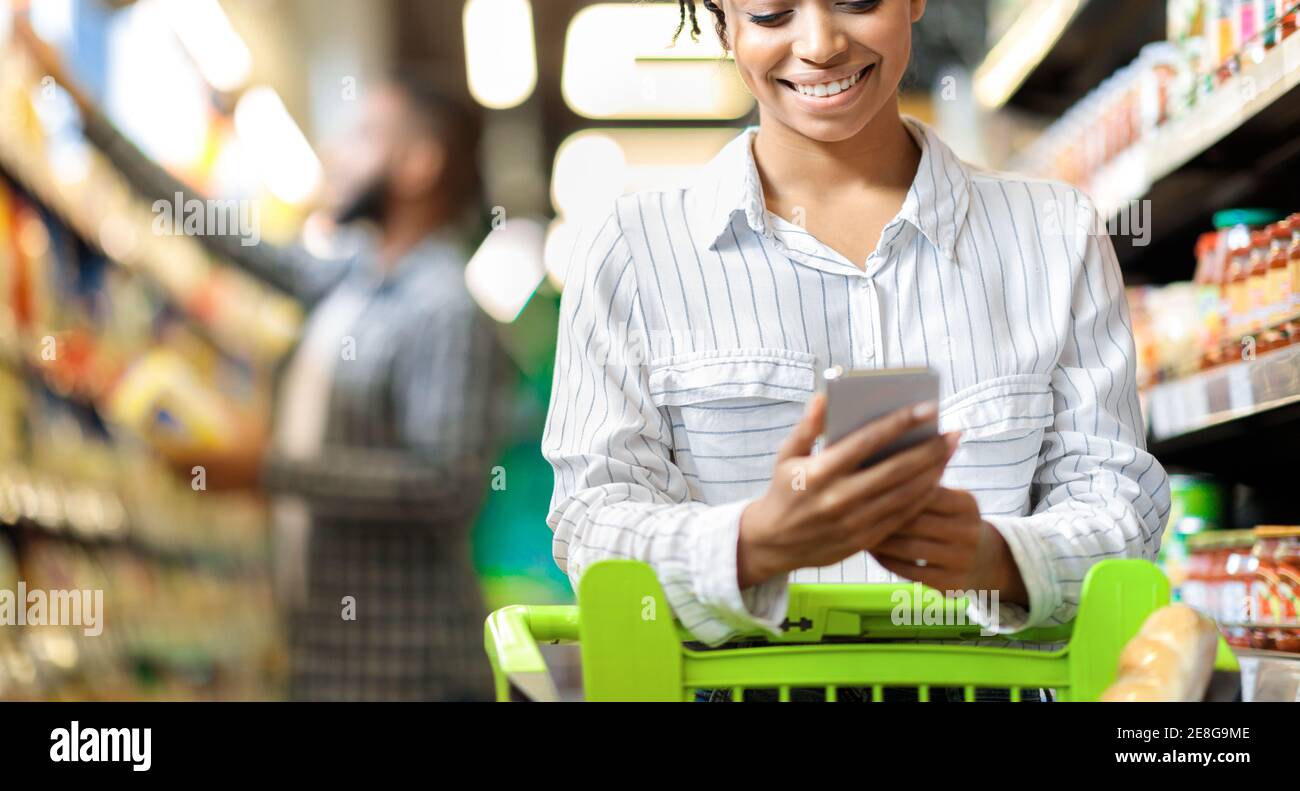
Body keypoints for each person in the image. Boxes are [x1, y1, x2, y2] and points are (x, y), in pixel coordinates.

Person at [541, 0, 1170, 698]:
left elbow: (1122, 510)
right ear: (723, 23)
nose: (820, 45)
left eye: (858, 2)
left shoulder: (1056, 234)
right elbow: (592, 525)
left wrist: (996, 559)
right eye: (772, 14)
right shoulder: (633, 252)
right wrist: (752, 543)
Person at [130, 75, 510, 701]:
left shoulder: (443, 307)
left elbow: (447, 483)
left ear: (419, 164)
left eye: (362, 137)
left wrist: (268, 471)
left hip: (405, 671)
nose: (336, 154)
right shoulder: (352, 282)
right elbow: (229, 242)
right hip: (327, 658)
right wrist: (85, 119)